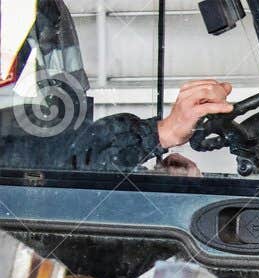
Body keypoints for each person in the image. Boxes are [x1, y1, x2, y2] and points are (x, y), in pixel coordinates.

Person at [0, 0, 233, 172]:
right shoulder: (13, 15)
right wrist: (158, 134)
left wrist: (148, 177)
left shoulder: (36, 10)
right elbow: (20, 160)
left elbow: (60, 159)